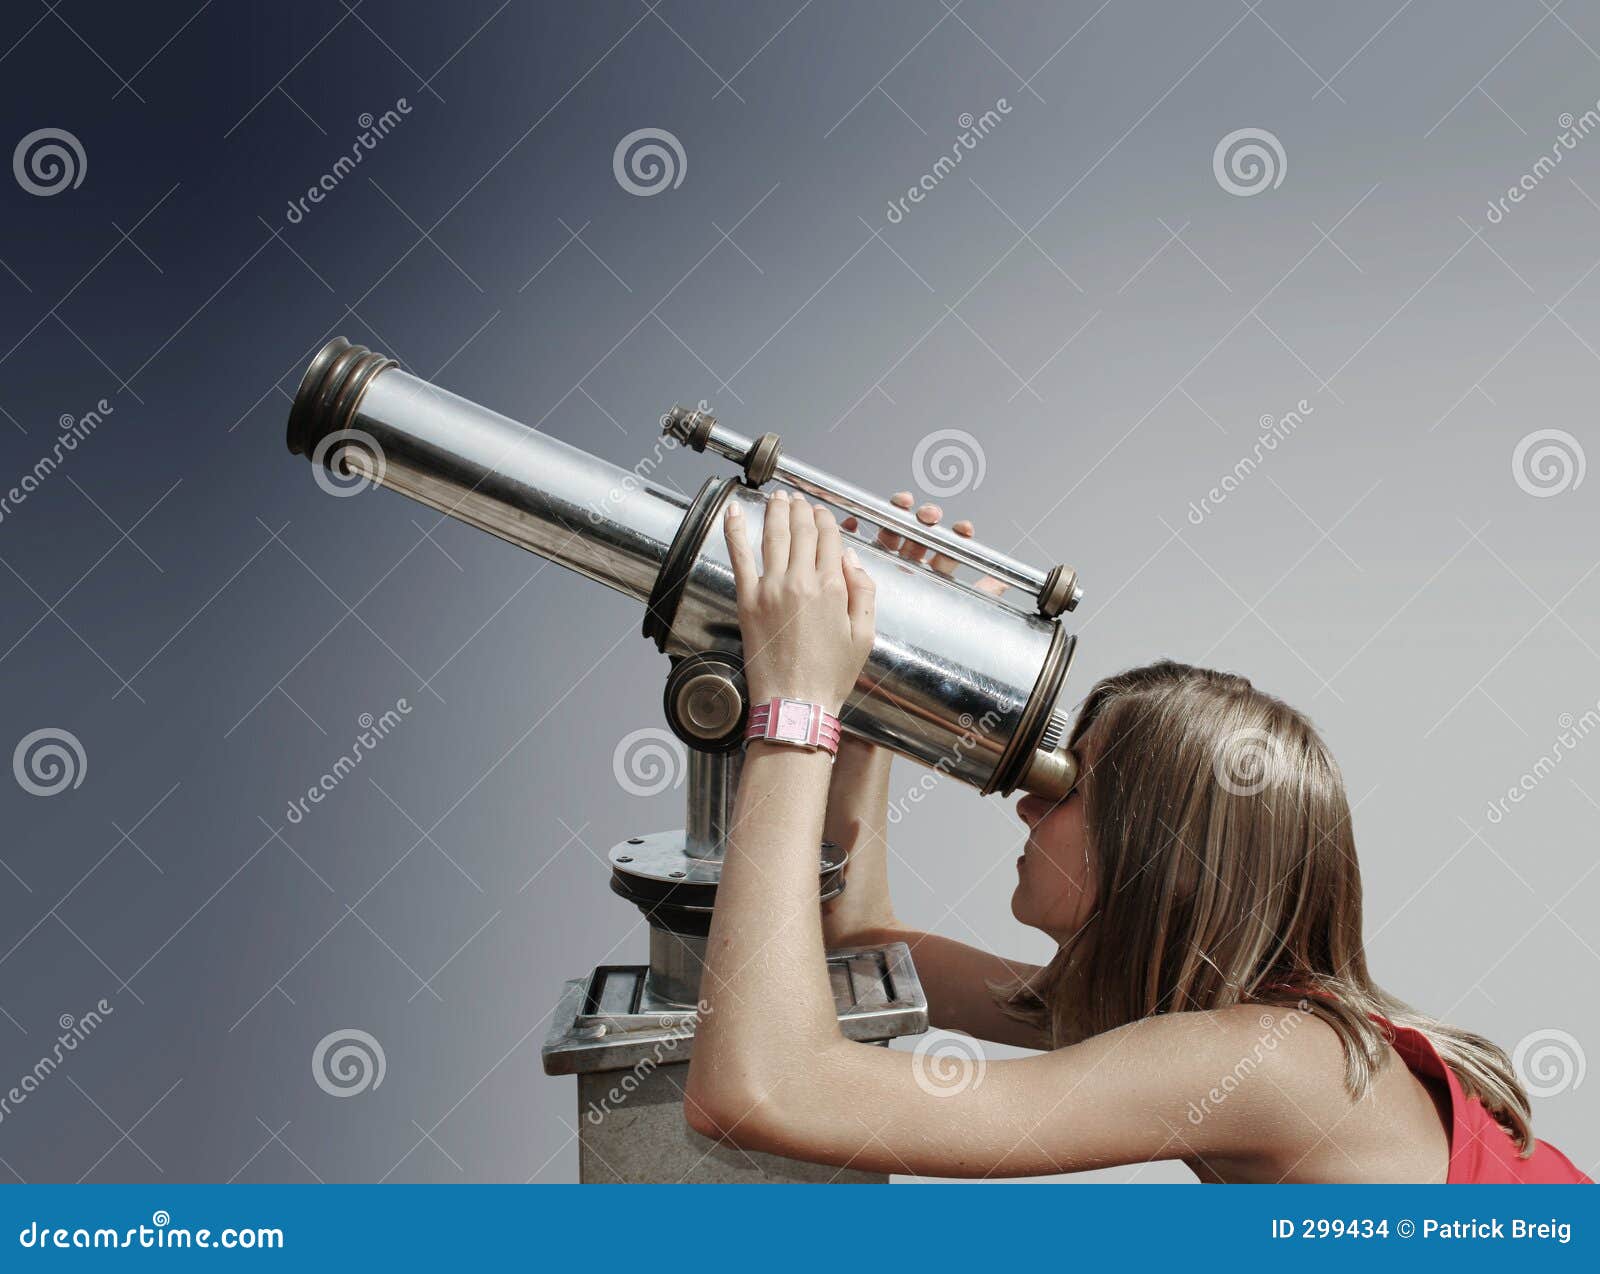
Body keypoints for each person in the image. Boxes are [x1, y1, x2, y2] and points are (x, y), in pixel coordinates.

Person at [682, 489, 1591, 1184]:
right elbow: (860, 946)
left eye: (1071, 789)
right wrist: (871, 685)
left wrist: (793, 706)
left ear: (1170, 859)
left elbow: (762, 1090)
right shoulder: (1181, 1011)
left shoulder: (1265, 1060)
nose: (1025, 807)